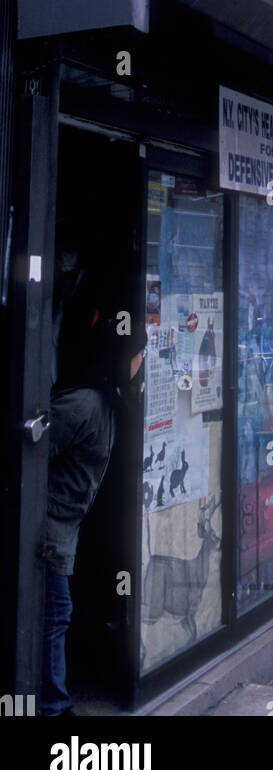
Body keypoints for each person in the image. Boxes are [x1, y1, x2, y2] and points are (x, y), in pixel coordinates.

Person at [39, 297, 146, 716]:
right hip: (50, 528)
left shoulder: (112, 402)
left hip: (66, 527)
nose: (141, 364)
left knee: (59, 610)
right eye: (138, 356)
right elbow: (33, 455)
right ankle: (52, 705)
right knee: (56, 611)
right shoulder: (85, 404)